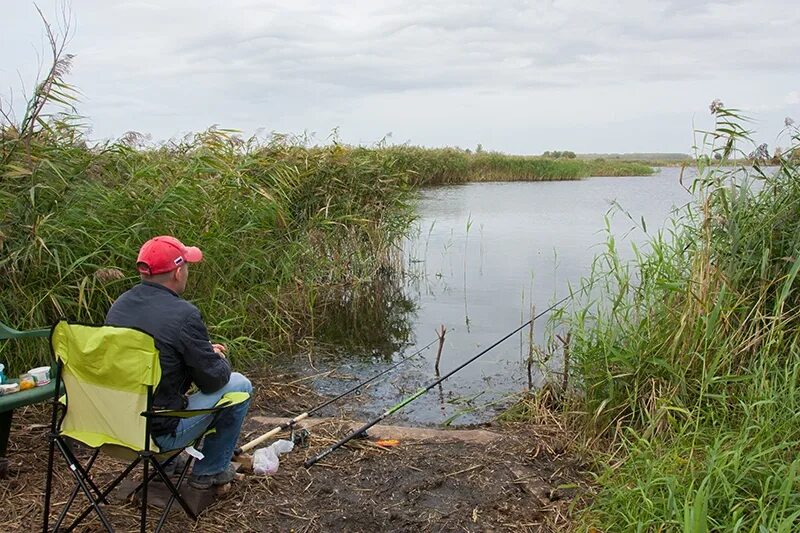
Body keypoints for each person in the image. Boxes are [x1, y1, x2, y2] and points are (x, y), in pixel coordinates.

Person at [105, 235, 253, 489]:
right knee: (240, 384)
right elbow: (212, 381)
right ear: (177, 272)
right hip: (156, 434)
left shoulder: (120, 305)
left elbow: (155, 354)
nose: (187, 271)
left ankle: (168, 463)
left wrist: (198, 350)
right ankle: (210, 471)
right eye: (186, 266)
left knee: (158, 388)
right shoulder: (184, 314)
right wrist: (214, 357)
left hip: (113, 426)